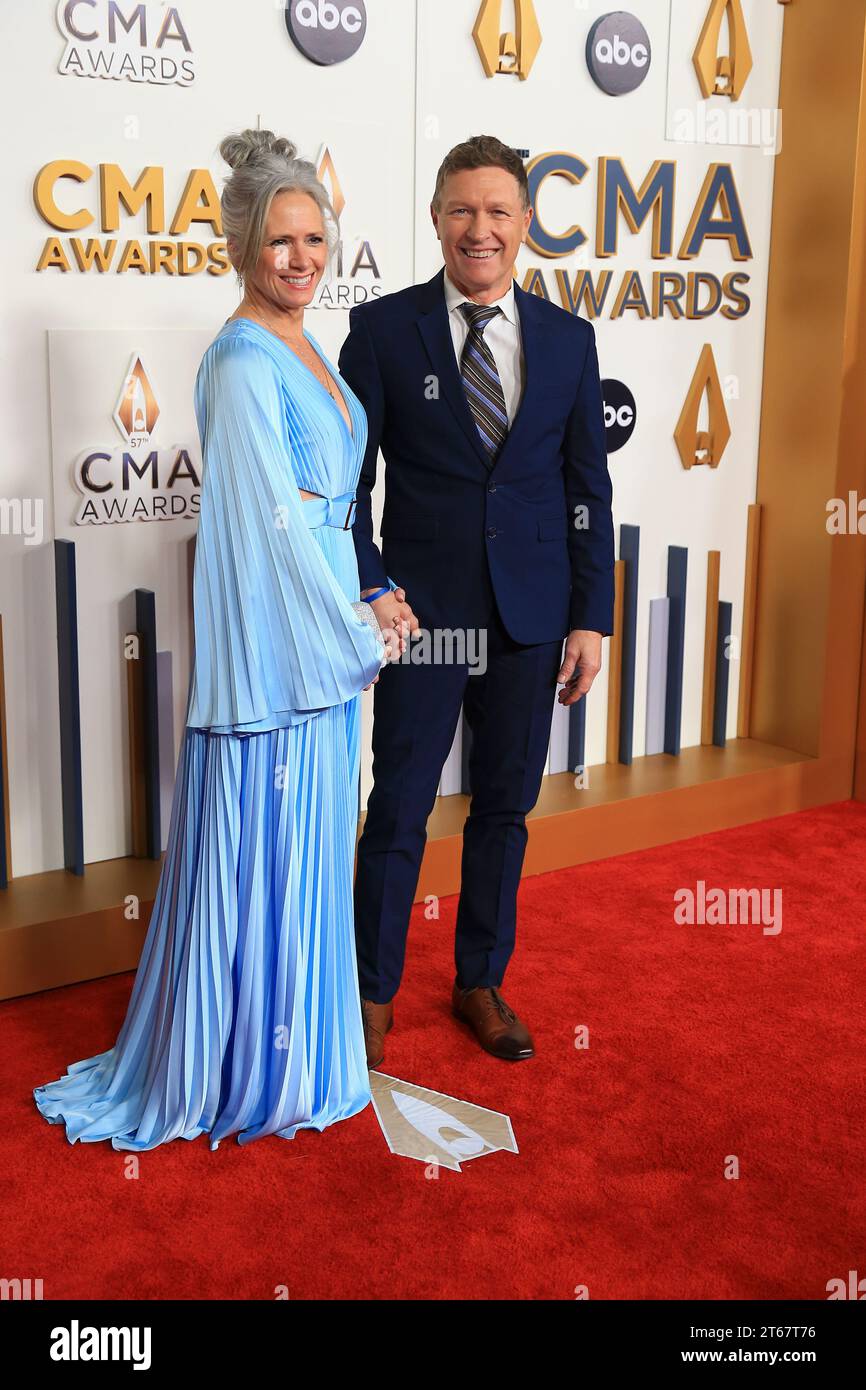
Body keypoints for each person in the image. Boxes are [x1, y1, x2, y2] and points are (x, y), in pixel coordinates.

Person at [32, 128, 402, 1151]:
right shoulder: (242, 360)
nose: (301, 258)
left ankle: (299, 1047)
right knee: (272, 854)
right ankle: (250, 1066)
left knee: (311, 850)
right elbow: (267, 539)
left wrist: (374, 593)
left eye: (314, 238)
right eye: (280, 240)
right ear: (243, 244)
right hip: (282, 659)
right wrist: (355, 629)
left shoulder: (297, 342)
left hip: (321, 635)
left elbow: (321, 514)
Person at [339, 134, 615, 1067]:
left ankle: (479, 983)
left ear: (527, 224)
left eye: (499, 211)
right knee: (401, 810)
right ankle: (370, 995)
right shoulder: (382, 331)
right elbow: (350, 486)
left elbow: (588, 488)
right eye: (462, 209)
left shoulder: (570, 341)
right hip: (426, 620)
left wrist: (591, 615)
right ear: (435, 218)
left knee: (504, 808)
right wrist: (373, 584)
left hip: (533, 618)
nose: (480, 229)